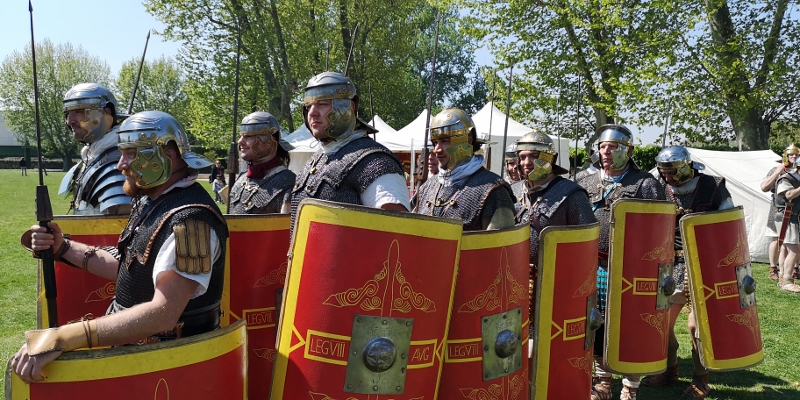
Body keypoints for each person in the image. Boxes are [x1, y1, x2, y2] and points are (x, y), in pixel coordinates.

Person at [12, 110, 228, 384]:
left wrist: (64, 337)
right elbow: (130, 267)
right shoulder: (154, 202)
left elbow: (164, 314)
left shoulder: (190, 221)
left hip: (168, 369)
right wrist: (63, 248)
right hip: (138, 357)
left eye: (131, 154)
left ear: (167, 156)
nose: (120, 165)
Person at [580, 124, 665, 400]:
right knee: (595, 323)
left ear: (628, 151)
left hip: (631, 269)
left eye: (612, 147)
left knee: (632, 326)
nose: (605, 152)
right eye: (602, 146)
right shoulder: (584, 181)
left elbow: (658, 230)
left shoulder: (645, 184)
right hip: (593, 265)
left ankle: (631, 386)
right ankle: (602, 381)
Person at [641, 146, 733, 398]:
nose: (667, 176)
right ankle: (669, 368)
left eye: (671, 171)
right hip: (668, 265)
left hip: (703, 265)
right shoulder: (658, 187)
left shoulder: (713, 186)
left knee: (696, 326)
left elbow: (728, 227)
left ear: (685, 166)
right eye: (663, 171)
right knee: (661, 322)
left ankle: (701, 379)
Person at [512, 130, 596, 351]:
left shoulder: (570, 194)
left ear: (549, 159)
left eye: (533, 156)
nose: (526, 162)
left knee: (554, 344)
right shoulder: (512, 192)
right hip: (515, 282)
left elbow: (586, 246)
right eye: (522, 157)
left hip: (557, 284)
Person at [291, 71, 409, 226]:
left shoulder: (375, 162)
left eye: (323, 104)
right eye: (308, 106)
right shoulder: (316, 160)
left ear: (350, 107)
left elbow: (395, 232)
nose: (312, 113)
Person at [414, 108, 515, 231]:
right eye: (435, 143)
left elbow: (499, 246)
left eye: (445, 141)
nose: (437, 149)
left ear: (468, 141)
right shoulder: (428, 186)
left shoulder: (493, 189)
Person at [59, 83, 131, 215]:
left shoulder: (117, 164)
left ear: (106, 113)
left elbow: (118, 228)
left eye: (79, 112)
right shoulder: (93, 156)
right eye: (68, 114)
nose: (70, 121)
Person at [228, 112, 296, 214]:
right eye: (241, 136)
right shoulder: (242, 178)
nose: (240, 141)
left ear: (269, 140)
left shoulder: (288, 183)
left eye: (248, 136)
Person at [761, 144, 799, 281]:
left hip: (795, 209)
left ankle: (793, 269)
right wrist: (778, 172)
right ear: (786, 156)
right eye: (791, 154)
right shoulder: (776, 170)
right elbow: (764, 187)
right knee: (776, 239)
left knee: (793, 242)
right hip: (778, 208)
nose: (794, 157)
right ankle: (773, 268)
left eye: (796, 154)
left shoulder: (797, 170)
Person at [775, 158, 800, 293]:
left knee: (787, 248)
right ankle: (787, 281)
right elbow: (789, 195)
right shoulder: (786, 179)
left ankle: (783, 277)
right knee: (794, 250)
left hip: (792, 217)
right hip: (786, 216)